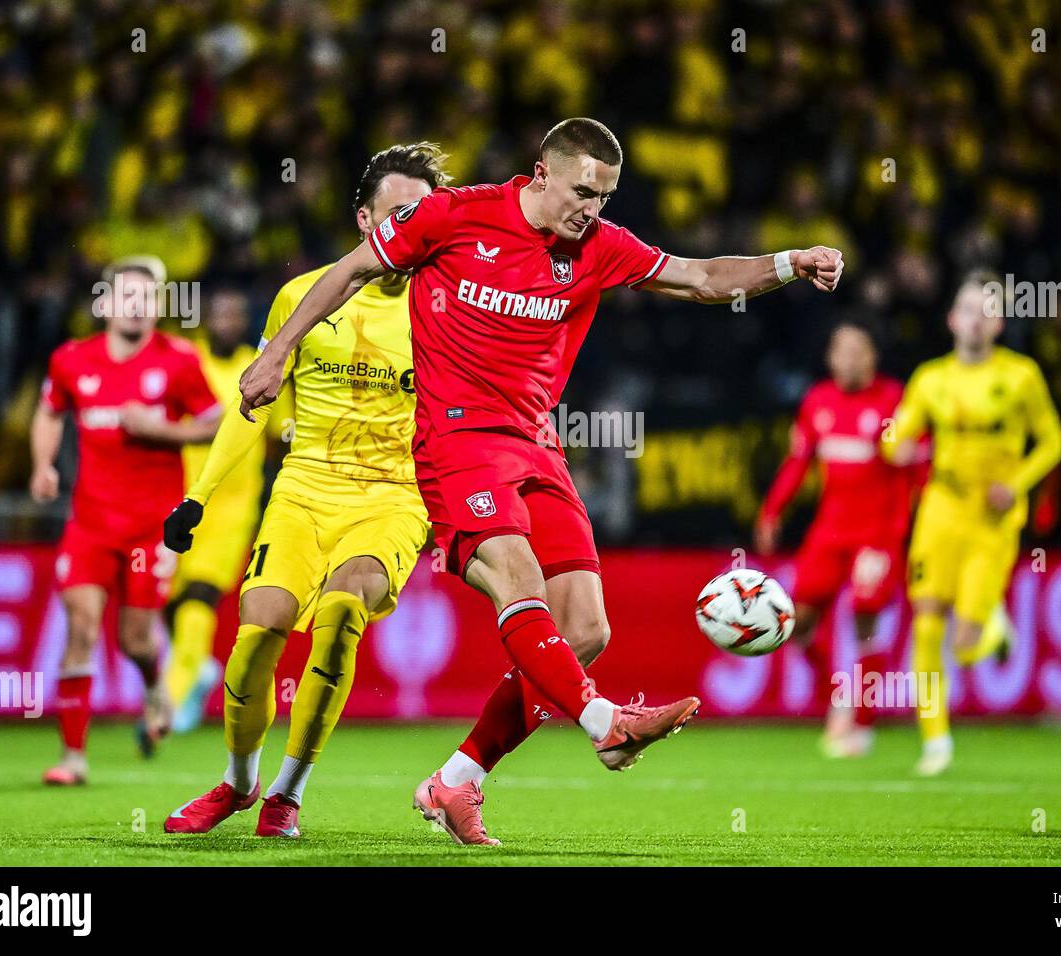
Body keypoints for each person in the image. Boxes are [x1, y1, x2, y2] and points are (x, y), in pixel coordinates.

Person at [239, 117, 844, 845]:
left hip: (536, 444)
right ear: (542, 173)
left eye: (607, 196)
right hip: (455, 440)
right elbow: (348, 272)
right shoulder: (456, 215)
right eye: (584, 190)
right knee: (520, 585)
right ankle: (605, 723)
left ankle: (455, 783)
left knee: (585, 630)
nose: (593, 208)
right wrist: (275, 355)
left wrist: (790, 262)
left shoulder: (598, 247)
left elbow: (701, 276)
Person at [162, 144, 448, 838]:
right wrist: (198, 495)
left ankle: (286, 795)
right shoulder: (303, 296)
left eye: (423, 214)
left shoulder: (445, 308)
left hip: (393, 494)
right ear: (363, 218)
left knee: (345, 607)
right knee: (257, 633)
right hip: (303, 489)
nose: (411, 226)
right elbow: (252, 400)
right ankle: (238, 782)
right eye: (397, 213)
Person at [32, 256, 222, 784]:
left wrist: (162, 431)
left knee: (135, 640)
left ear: (158, 307)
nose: (137, 307)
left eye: (148, 299)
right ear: (106, 303)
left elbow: (216, 422)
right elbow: (49, 410)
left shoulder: (179, 361)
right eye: (128, 297)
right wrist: (43, 465)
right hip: (90, 523)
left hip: (149, 528)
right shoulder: (72, 359)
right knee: (81, 629)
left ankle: (155, 686)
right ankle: (72, 757)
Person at [886, 270, 1061, 776]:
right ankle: (935, 740)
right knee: (925, 623)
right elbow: (899, 433)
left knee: (964, 645)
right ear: (951, 319)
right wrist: (894, 443)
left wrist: (1018, 483)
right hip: (943, 506)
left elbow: (1052, 441)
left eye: (987, 311)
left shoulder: (1022, 375)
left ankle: (994, 631)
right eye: (968, 309)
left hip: (994, 516)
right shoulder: (930, 378)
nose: (977, 320)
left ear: (1001, 322)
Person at [755, 321, 912, 758]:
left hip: (875, 534)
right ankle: (838, 699)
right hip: (829, 532)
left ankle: (862, 723)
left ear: (872, 358)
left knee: (865, 617)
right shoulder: (817, 401)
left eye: (856, 350)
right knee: (796, 623)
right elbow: (797, 462)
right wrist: (772, 511)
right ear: (830, 357)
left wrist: (895, 535)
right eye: (839, 350)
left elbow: (911, 475)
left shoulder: (893, 402)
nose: (847, 359)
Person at [164, 289, 266, 733]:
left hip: (232, 507)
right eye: (219, 312)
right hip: (179, 499)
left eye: (236, 313)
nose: (227, 320)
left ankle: (169, 701)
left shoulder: (262, 365)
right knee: (166, 604)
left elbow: (280, 432)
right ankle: (199, 669)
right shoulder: (187, 361)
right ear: (205, 317)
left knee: (200, 596)